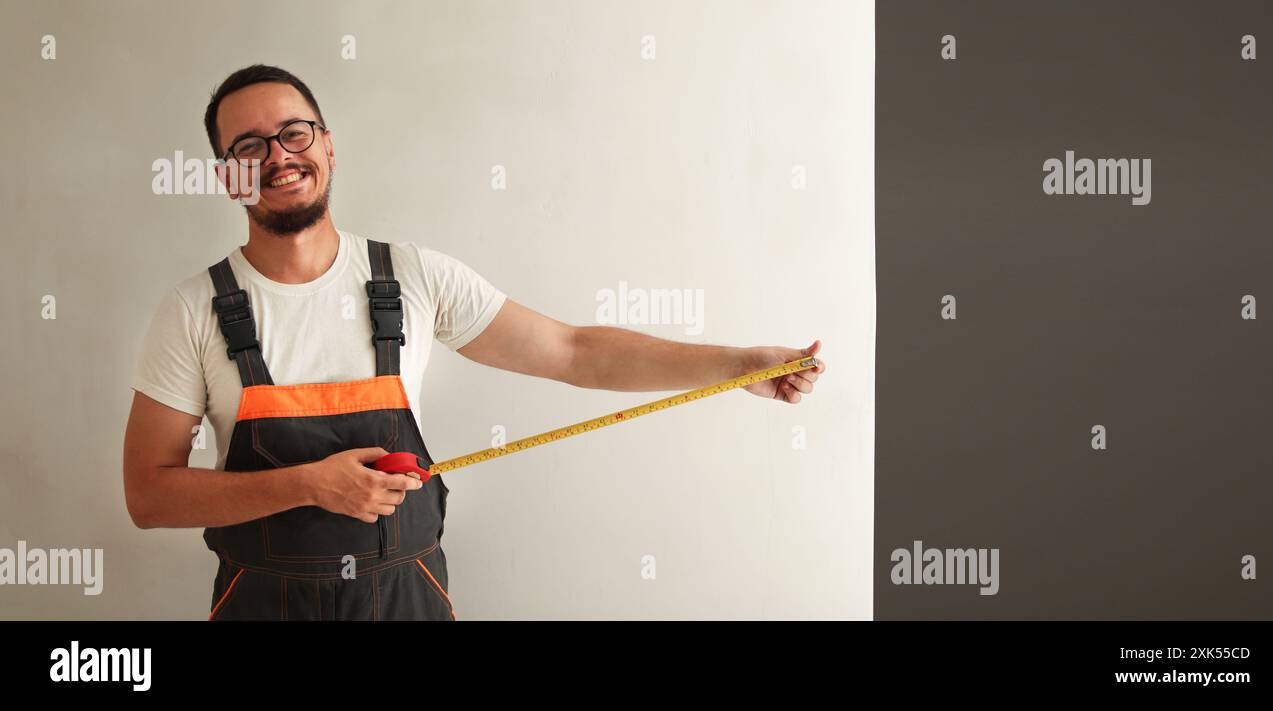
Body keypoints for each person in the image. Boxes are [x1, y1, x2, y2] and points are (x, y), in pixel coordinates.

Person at [122, 64, 827, 621]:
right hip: (259, 606)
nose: (278, 156)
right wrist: (309, 483)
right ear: (226, 176)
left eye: (294, 132)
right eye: (249, 146)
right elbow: (148, 494)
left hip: (406, 599)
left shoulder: (412, 278)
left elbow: (575, 351)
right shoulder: (194, 311)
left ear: (329, 145)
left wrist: (739, 366)